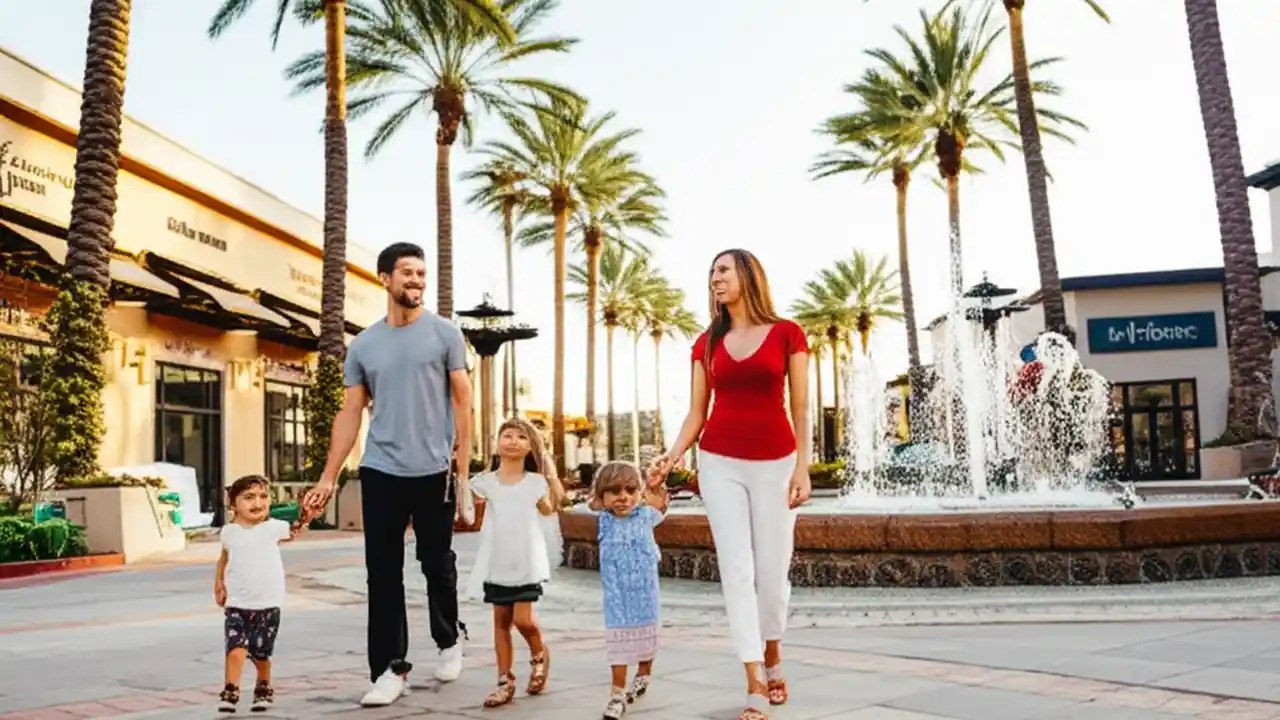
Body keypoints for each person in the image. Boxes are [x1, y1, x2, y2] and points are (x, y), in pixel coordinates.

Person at [301, 242, 473, 707]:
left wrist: (464, 474)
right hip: (380, 471)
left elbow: (463, 401)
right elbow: (350, 411)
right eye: (407, 273)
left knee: (436, 563)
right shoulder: (364, 345)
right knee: (382, 574)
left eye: (421, 273)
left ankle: (448, 636)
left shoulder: (444, 334)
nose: (416, 280)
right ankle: (389, 669)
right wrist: (328, 476)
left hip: (433, 470)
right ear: (384, 278)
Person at [648, 248, 810, 720]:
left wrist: (803, 467)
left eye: (723, 269)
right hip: (718, 462)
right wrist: (672, 457)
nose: (715, 278)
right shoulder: (706, 342)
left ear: (747, 275)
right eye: (711, 273)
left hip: (777, 462)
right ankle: (754, 677)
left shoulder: (787, 334)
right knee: (736, 572)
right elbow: (697, 413)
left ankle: (773, 651)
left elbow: (801, 408)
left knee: (773, 572)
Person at [463, 417, 565, 708]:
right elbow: (465, 504)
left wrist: (551, 472)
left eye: (522, 437)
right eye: (507, 435)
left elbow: (552, 508)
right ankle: (504, 680)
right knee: (501, 622)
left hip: (526, 559)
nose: (513, 441)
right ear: (497, 442)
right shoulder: (484, 483)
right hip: (497, 560)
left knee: (523, 619)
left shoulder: (535, 483)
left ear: (531, 446)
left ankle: (539, 654)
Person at [590, 461, 669, 720]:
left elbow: (659, 502)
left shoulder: (646, 516)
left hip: (645, 592)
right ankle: (617, 695)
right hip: (617, 595)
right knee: (619, 645)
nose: (623, 497)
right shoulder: (604, 520)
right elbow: (589, 504)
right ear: (602, 497)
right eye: (614, 492)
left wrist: (655, 481)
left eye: (630, 490)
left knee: (648, 637)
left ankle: (644, 673)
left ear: (639, 493)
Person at [214, 475, 299, 713]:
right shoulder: (229, 532)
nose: (257, 503)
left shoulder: (273, 528)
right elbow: (224, 559)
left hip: (267, 603)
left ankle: (264, 686)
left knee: (261, 653)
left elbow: (297, 527)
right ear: (233, 505)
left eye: (263, 497)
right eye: (249, 497)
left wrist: (309, 510)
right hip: (237, 602)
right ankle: (231, 690)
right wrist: (218, 583)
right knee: (235, 648)